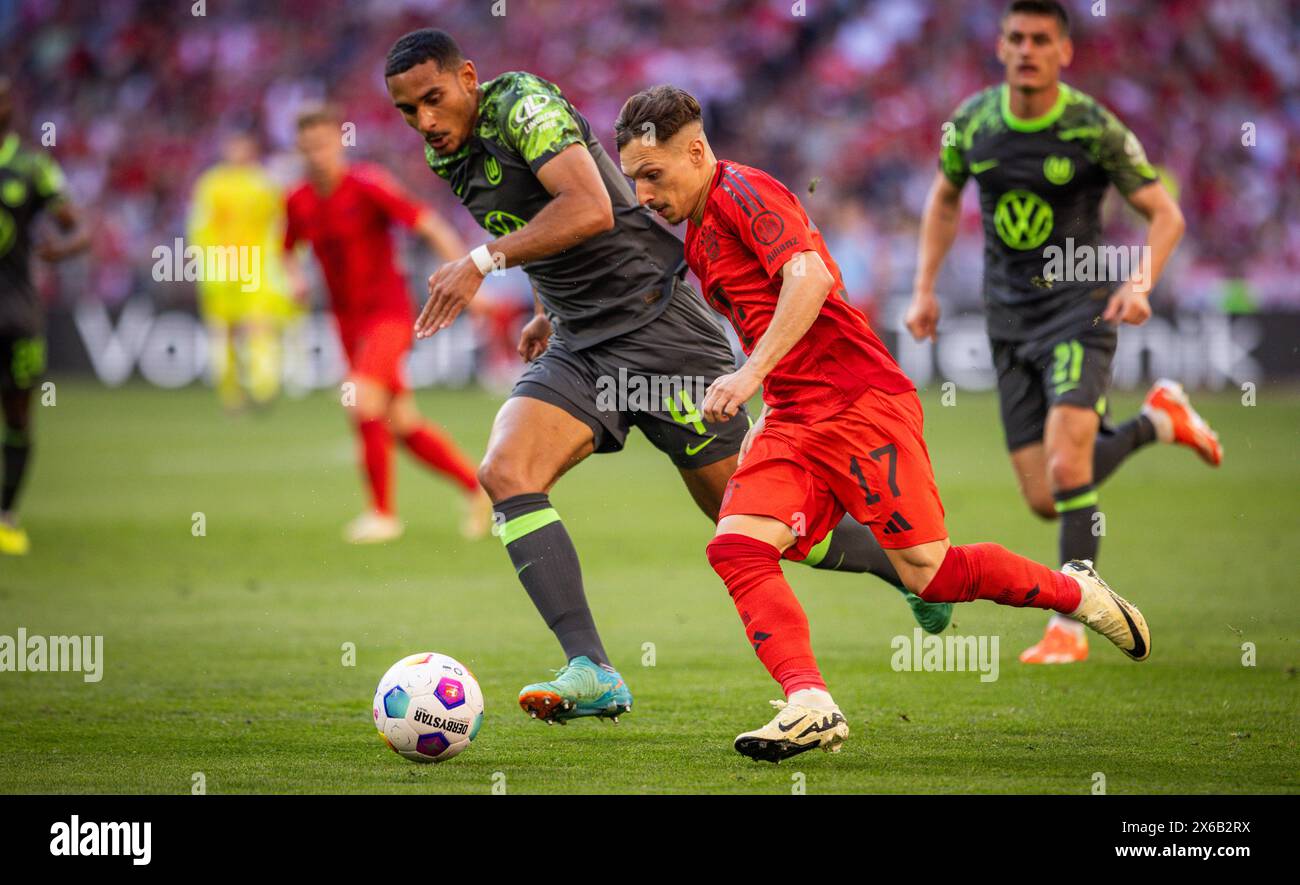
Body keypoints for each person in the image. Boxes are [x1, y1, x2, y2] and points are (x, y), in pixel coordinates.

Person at [383, 28, 950, 725]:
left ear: (468, 78)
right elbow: (536, 221)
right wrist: (544, 305)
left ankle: (908, 569)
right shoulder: (452, 153)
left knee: (756, 522)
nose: (426, 121)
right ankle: (593, 669)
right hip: (581, 341)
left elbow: (590, 208)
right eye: (409, 112)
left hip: (657, 329)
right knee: (505, 472)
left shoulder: (523, 106)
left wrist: (481, 261)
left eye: (434, 99)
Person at [616, 84, 1151, 763]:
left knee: (930, 574)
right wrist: (767, 400)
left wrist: (748, 376)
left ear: (695, 152)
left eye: (652, 175)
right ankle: (810, 702)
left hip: (861, 403)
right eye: (633, 178)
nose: (643, 194)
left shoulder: (743, 193)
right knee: (737, 545)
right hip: (795, 415)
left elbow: (808, 279)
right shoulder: (697, 234)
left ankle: (1078, 591)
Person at [905, 0, 1220, 664]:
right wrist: (925, 288)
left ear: (1064, 52)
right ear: (1000, 46)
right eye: (1016, 37)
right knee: (1046, 496)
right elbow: (941, 197)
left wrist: (1140, 283)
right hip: (1007, 317)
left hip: (1081, 308)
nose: (1027, 49)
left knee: (1067, 460)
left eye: (1041, 39)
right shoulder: (972, 123)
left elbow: (1166, 215)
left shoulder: (1091, 126)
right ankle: (1156, 422)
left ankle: (1070, 626)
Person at [283, 105, 489, 544]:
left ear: (339, 142)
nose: (316, 155)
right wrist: (294, 279)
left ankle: (382, 514)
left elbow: (427, 224)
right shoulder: (297, 199)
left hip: (389, 315)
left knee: (359, 397)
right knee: (401, 423)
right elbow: (286, 250)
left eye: (322, 145)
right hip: (347, 324)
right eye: (307, 148)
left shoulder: (368, 185)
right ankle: (479, 487)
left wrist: (469, 275)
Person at [0, 75, 89, 556]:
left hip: (15, 315)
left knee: (18, 413)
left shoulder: (32, 168)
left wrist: (60, 250)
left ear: (10, 108)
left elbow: (79, 229)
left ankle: (6, 515)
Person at [188, 132, 296, 412]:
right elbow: (199, 227)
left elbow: (281, 224)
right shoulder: (211, 184)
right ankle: (231, 396)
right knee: (223, 335)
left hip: (256, 269)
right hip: (219, 270)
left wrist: (281, 262)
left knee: (259, 327)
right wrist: (206, 263)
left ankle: (263, 388)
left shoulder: (265, 184)